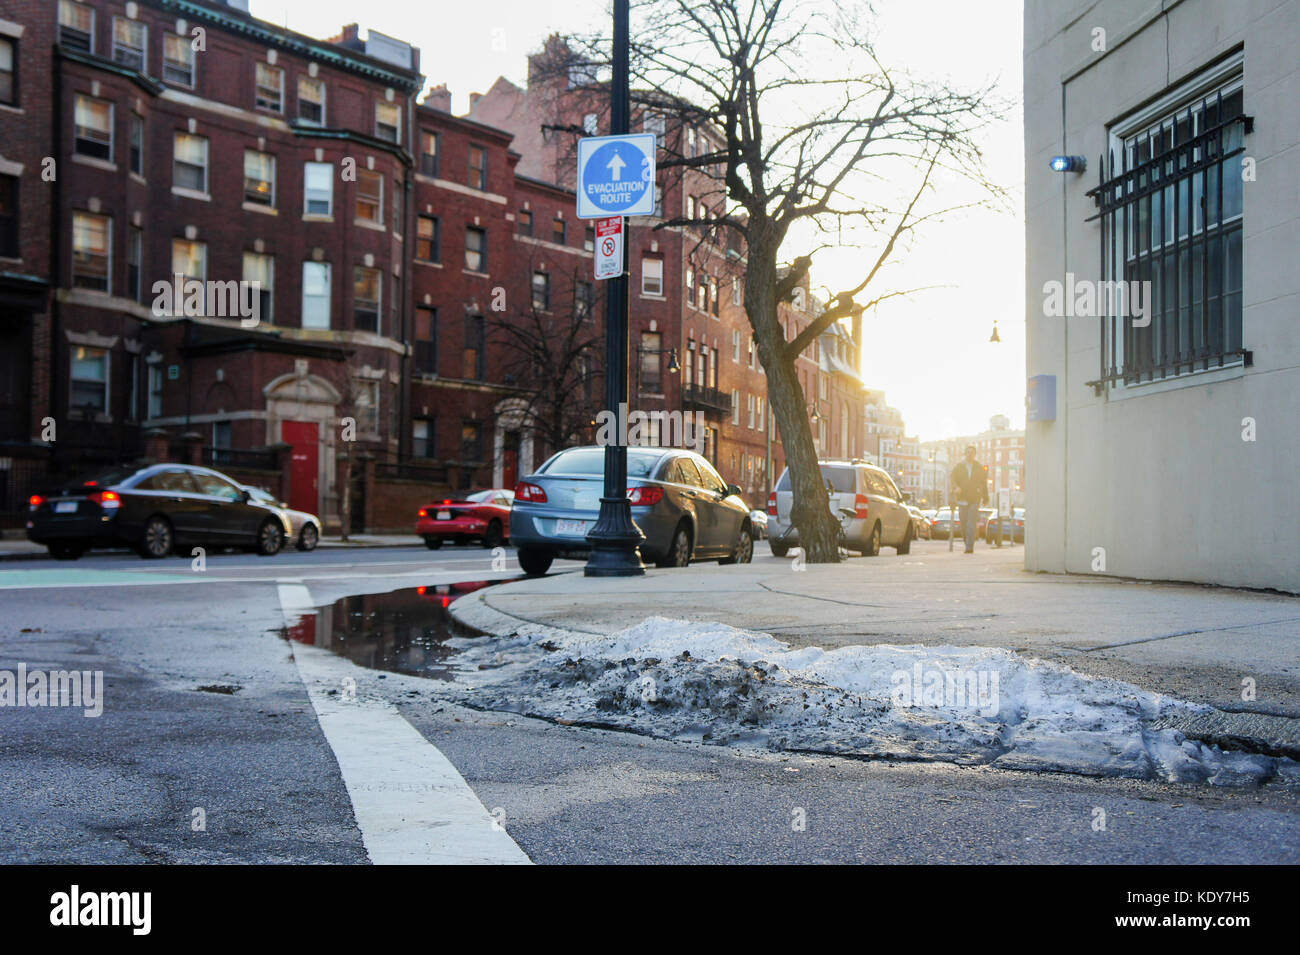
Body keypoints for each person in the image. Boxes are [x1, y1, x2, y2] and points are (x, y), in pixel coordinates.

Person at [949, 445, 988, 554]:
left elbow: (983, 483)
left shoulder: (978, 467)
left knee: (971, 523)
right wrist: (956, 487)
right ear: (965, 454)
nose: (969, 454)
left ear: (975, 454)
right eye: (967, 452)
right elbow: (952, 478)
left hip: (974, 498)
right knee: (964, 523)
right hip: (962, 498)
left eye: (971, 452)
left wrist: (985, 497)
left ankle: (969, 547)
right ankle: (967, 542)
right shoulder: (959, 467)